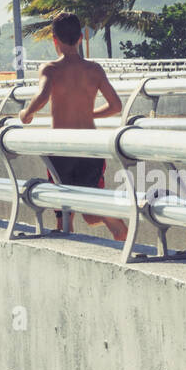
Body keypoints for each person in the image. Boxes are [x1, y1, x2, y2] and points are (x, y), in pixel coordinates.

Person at [19, 12, 127, 241]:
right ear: (80, 38)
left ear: (54, 40)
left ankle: (111, 224)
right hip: (91, 147)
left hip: (62, 149)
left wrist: (26, 113)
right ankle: (121, 232)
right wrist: (90, 113)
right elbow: (116, 105)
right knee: (90, 211)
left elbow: (43, 95)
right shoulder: (94, 69)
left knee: (64, 213)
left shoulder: (50, 69)